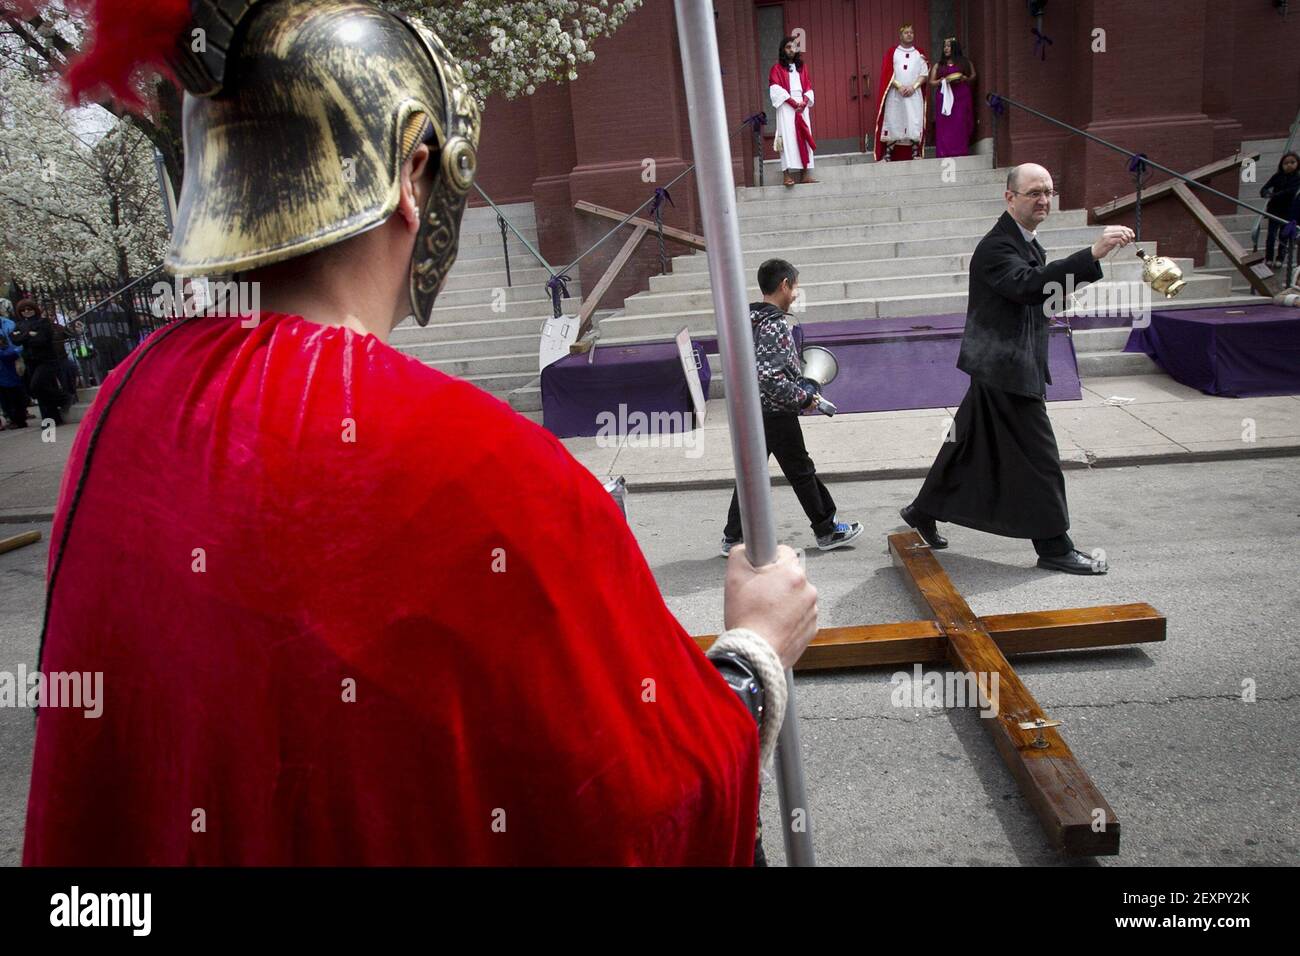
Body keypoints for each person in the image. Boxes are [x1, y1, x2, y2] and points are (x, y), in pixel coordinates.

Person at [26, 0, 819, 867]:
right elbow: (634, 811)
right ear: (412, 175)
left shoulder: (121, 408)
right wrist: (753, 658)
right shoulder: (483, 462)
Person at [899, 164, 1135, 574]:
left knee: (964, 445)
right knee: (1039, 460)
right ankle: (1054, 546)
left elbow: (1037, 296)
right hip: (1004, 369)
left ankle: (922, 511)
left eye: (1048, 191)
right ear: (1010, 198)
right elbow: (1028, 286)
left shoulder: (1027, 243)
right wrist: (1091, 255)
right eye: (1033, 193)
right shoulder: (996, 247)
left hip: (1003, 363)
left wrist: (1064, 296)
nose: (1043, 199)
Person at [722, 258, 863, 555]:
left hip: (750, 411)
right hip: (774, 414)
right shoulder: (773, 325)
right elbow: (770, 379)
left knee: (751, 474)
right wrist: (803, 397)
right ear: (784, 284)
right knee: (801, 470)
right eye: (795, 286)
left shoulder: (745, 320)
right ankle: (826, 530)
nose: (796, 294)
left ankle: (733, 538)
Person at [873, 23, 929, 162]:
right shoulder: (893, 52)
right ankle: (888, 154)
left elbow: (924, 73)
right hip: (896, 94)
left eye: (911, 32)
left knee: (913, 121)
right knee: (894, 120)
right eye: (906, 32)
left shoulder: (919, 53)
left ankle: (915, 153)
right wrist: (899, 86)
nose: (909, 34)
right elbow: (887, 73)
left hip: (914, 94)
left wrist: (913, 86)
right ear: (900, 35)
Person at [9, 299, 66, 426]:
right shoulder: (19, 324)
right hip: (30, 360)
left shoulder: (43, 322)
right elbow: (15, 340)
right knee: (41, 391)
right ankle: (50, 418)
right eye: (23, 310)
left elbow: (42, 339)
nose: (26, 312)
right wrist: (29, 334)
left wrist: (23, 336)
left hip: (46, 359)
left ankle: (62, 398)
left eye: (29, 309)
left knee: (36, 385)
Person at [769, 35, 817, 187]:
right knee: (787, 138)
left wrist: (803, 102)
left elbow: (808, 86)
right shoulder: (777, 68)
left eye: (794, 47)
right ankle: (786, 175)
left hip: (801, 106)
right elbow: (775, 89)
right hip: (786, 106)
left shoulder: (802, 68)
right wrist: (791, 102)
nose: (791, 50)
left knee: (803, 137)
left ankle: (804, 174)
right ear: (783, 50)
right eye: (788, 47)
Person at [930, 37, 976, 159]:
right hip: (944, 97)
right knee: (945, 125)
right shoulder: (939, 65)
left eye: (949, 46)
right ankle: (944, 152)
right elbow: (931, 82)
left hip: (961, 96)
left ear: (955, 47)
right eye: (944, 46)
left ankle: (961, 151)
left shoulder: (965, 62)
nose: (946, 48)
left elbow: (973, 76)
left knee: (961, 122)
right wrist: (941, 81)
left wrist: (966, 79)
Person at [1261, 152, 1300, 269]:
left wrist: (1275, 195)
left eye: (1292, 162)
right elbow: (1264, 188)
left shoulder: (1298, 178)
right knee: (1271, 236)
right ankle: (1268, 258)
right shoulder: (1277, 176)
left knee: (1284, 236)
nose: (1289, 165)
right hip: (1274, 210)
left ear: (1297, 164)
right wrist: (1266, 193)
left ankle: (1280, 258)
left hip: (1289, 211)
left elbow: (1291, 192)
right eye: (1286, 163)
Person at [0, 302, 27, 429]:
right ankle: (11, 417)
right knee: (5, 394)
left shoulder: (9, 323)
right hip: (5, 359)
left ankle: (20, 416)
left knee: (16, 389)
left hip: (13, 358)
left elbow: (17, 338)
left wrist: (17, 351)